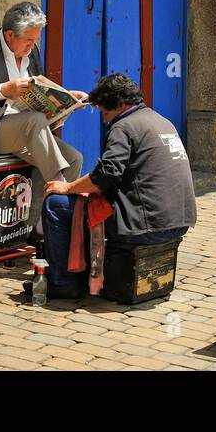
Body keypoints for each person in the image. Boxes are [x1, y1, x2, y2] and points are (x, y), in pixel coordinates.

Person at [32, 74, 197, 300]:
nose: (104, 120)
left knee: (57, 204)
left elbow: (106, 175)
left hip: (146, 226)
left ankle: (62, 282)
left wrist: (68, 187)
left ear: (120, 106)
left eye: (105, 112)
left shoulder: (124, 126)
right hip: (179, 222)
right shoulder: (162, 121)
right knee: (85, 202)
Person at [0, 2, 86, 225]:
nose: (32, 46)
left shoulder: (31, 52)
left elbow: (38, 89)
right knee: (34, 122)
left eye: (35, 40)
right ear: (9, 35)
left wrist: (65, 99)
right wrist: (3, 90)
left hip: (26, 129)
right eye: (28, 40)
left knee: (74, 159)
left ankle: (44, 230)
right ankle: (60, 185)